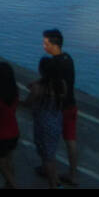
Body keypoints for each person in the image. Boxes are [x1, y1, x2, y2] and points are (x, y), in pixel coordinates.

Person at [43, 29, 79, 185]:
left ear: (53, 44)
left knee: (49, 139)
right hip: (72, 104)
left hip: (58, 107)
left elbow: (51, 85)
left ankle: (50, 170)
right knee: (70, 140)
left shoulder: (53, 64)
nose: (44, 46)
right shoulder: (68, 58)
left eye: (46, 43)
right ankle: (72, 173)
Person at [27, 57, 66, 189]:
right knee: (51, 154)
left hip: (43, 125)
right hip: (56, 122)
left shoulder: (38, 88)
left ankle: (53, 185)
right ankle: (57, 183)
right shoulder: (61, 85)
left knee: (46, 157)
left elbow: (28, 102)